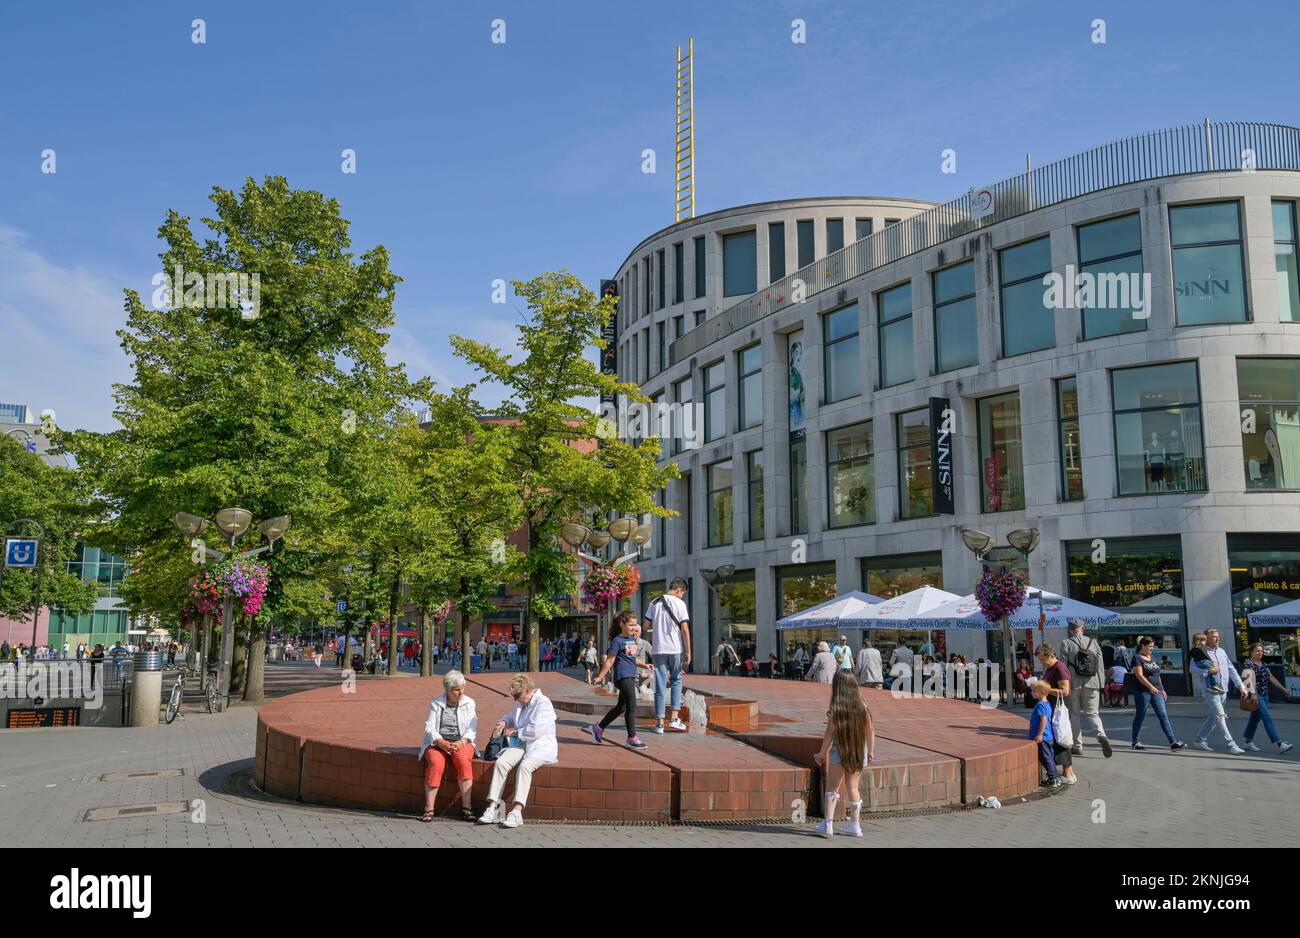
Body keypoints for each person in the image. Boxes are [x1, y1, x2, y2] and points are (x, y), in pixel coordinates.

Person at [478, 674, 558, 829]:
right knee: (501, 763)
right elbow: (511, 717)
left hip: (541, 746)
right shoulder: (522, 704)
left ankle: (517, 811)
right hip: (522, 744)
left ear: (527, 690)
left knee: (525, 767)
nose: (515, 699)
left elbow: (535, 731)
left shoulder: (543, 703)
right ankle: (494, 807)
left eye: (517, 695)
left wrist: (513, 732)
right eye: (513, 695)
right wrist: (503, 722)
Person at [814, 670, 875, 837]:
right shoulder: (863, 704)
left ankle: (828, 825)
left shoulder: (836, 706)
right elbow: (870, 730)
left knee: (832, 787)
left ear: (837, 686)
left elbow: (830, 731)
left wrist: (821, 752)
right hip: (858, 750)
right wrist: (870, 750)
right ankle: (855, 825)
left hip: (839, 751)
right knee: (853, 787)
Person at [587, 611, 656, 749]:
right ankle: (632, 737)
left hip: (630, 676)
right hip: (622, 676)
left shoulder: (631, 640)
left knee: (621, 707)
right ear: (622, 624)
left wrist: (644, 665)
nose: (633, 628)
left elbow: (631, 658)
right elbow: (610, 660)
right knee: (632, 704)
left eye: (635, 625)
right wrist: (601, 676)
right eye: (630, 625)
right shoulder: (617, 641)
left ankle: (598, 728)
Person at [418, 670, 479, 822]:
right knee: (435, 763)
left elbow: (473, 728)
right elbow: (429, 727)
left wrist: (462, 742)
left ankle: (467, 807)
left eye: (463, 688)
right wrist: (440, 742)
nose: (461, 692)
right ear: (447, 690)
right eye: (457, 689)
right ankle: (429, 808)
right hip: (439, 742)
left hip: (461, 742)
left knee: (463, 761)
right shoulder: (436, 703)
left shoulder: (469, 703)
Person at [643, 577, 692, 735]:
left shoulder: (654, 602)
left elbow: (646, 626)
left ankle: (659, 724)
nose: (681, 596)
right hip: (675, 649)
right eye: (682, 594)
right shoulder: (680, 604)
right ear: (679, 590)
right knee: (677, 681)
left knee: (660, 685)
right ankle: (674, 718)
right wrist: (688, 652)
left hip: (658, 649)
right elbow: (684, 629)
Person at [1059, 619, 1113, 758]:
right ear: (1082, 628)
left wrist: (1062, 684)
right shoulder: (1093, 642)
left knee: (1074, 714)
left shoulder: (1066, 643)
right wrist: (1101, 683)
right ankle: (1101, 734)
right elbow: (1100, 665)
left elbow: (1063, 666)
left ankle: (1077, 746)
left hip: (1073, 683)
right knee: (1093, 713)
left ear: (1071, 630)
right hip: (1092, 682)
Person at [1130, 636, 1187, 751]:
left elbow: (1157, 675)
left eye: (1153, 646)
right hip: (1143, 692)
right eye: (1150, 646)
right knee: (1140, 715)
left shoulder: (1152, 658)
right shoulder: (1137, 658)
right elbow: (1139, 676)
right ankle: (1135, 741)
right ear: (1143, 646)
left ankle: (1173, 742)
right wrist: (1150, 687)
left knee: (1163, 715)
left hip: (1157, 691)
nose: (1152, 648)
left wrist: (1162, 690)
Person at [1194, 629, 1246, 753]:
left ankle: (1200, 740)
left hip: (1223, 689)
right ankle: (1231, 745)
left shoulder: (1222, 651)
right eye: (1213, 637)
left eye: (1217, 637)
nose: (1217, 639)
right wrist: (1207, 672)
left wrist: (1241, 686)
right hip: (1209, 690)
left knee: (1213, 717)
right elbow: (1192, 668)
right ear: (1206, 639)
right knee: (1220, 716)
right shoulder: (1200, 652)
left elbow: (1231, 669)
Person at [1239, 642, 1294, 753]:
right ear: (1251, 652)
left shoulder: (1263, 664)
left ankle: (1247, 742)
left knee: (1255, 719)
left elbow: (1272, 678)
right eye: (1257, 650)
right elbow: (1247, 680)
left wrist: (1284, 689)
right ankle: (1279, 744)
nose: (1260, 652)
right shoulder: (1248, 663)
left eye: (1262, 651)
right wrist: (1253, 693)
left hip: (1264, 695)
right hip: (1255, 695)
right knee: (1267, 718)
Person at [1028, 680, 1070, 788]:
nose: (1031, 693)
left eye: (1034, 691)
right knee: (1049, 757)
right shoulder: (1047, 704)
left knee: (1045, 758)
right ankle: (1054, 777)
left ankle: (1053, 779)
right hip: (1049, 736)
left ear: (1042, 692)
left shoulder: (1040, 705)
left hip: (1044, 737)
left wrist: (1039, 734)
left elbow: (1043, 720)